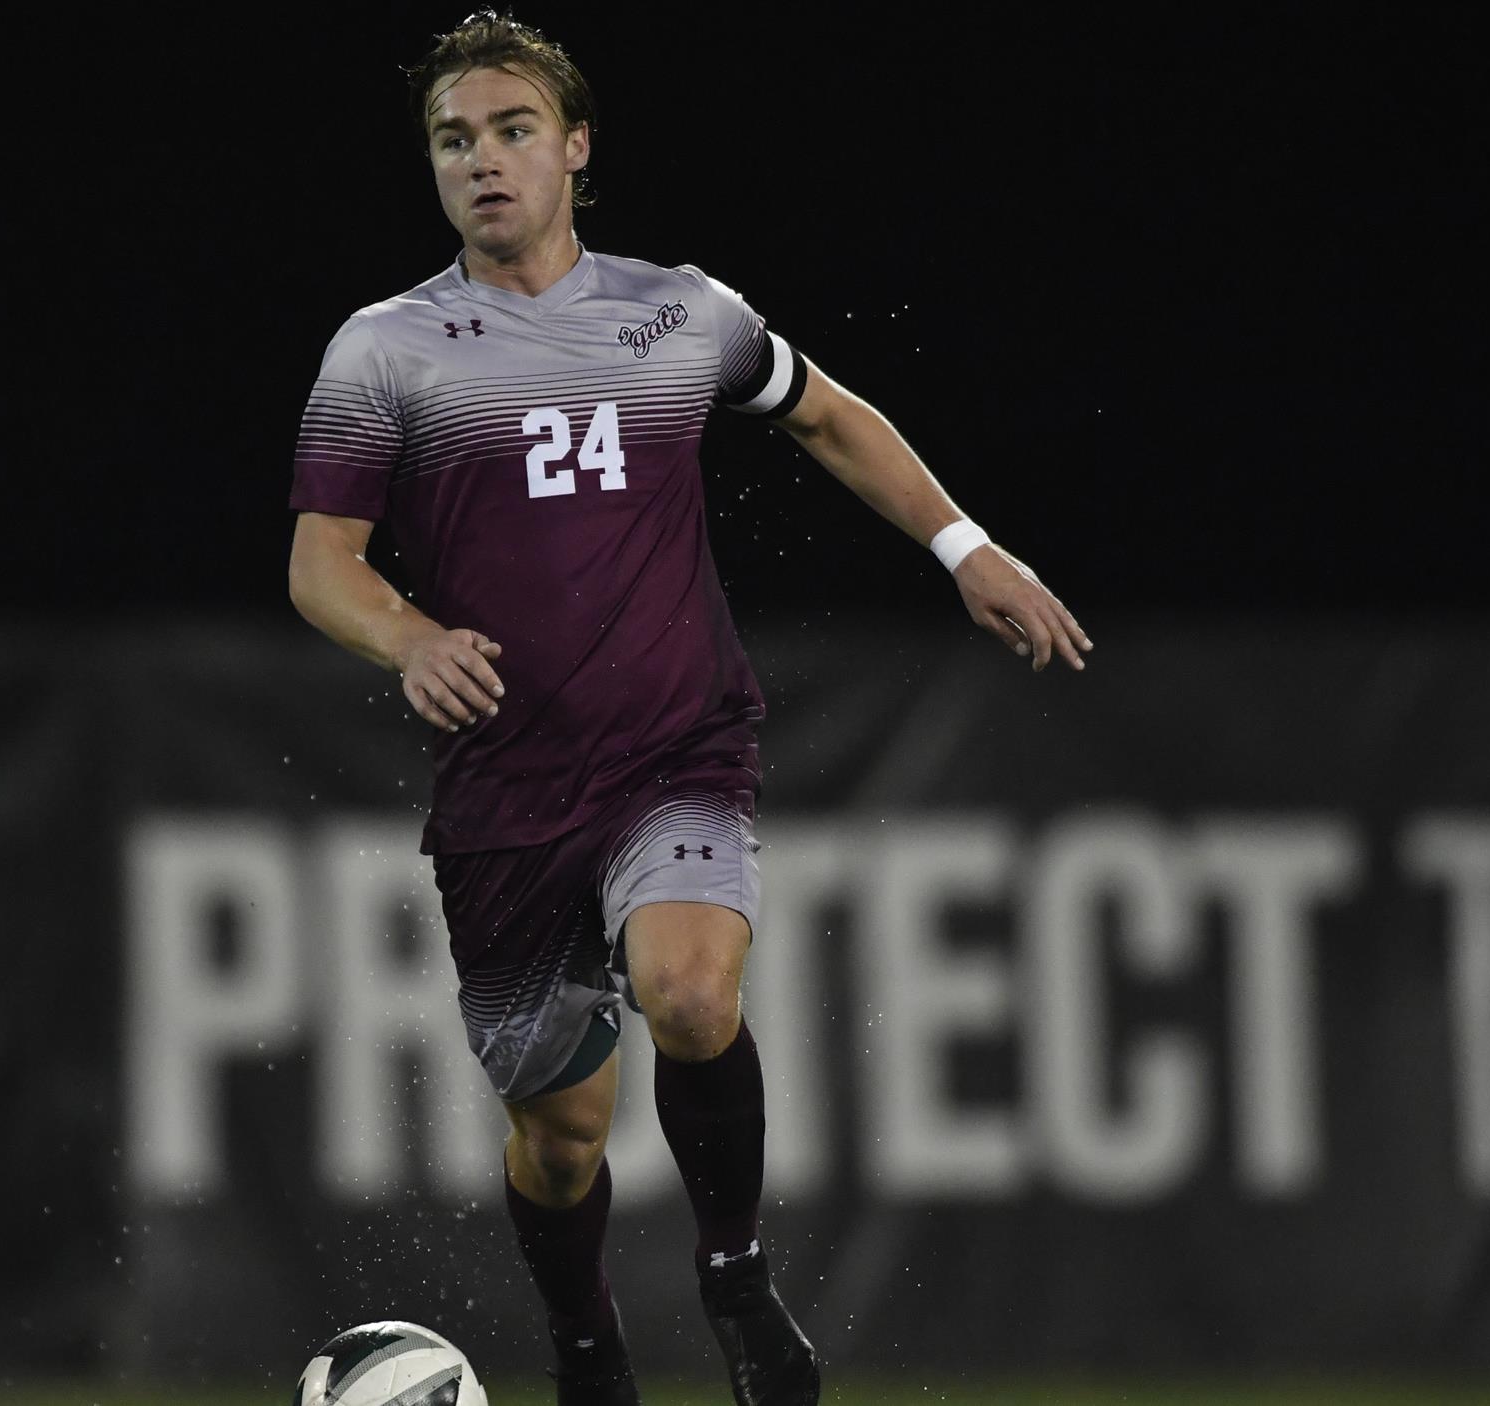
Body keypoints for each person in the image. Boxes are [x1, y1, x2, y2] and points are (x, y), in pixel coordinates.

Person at [285, 12, 1090, 1405]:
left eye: (513, 129)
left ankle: (734, 1273)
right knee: (562, 1137)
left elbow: (827, 415)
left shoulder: (680, 314)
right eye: (453, 140)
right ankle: (589, 1344)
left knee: (692, 990)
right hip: (508, 792)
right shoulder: (384, 352)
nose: (484, 161)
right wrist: (407, 636)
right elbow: (318, 562)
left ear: (577, 146)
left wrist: (967, 549)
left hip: (677, 745)